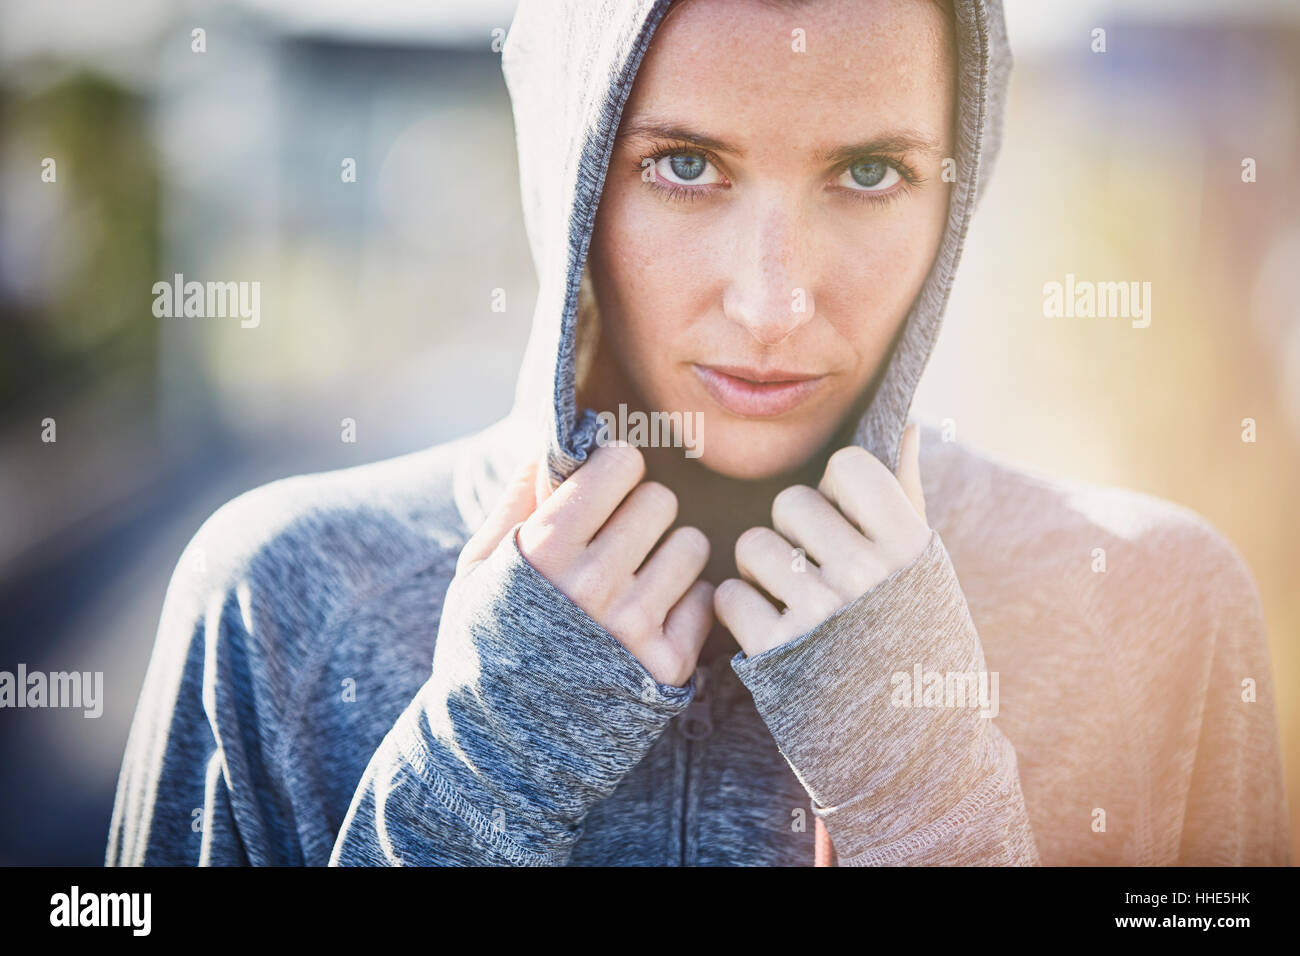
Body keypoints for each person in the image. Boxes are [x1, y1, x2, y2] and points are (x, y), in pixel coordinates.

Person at [106, 0, 1290, 867]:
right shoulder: (282, 602)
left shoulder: (1153, 609)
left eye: (869, 170)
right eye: (683, 165)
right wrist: (486, 770)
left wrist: (920, 796)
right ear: (565, 179)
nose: (773, 300)